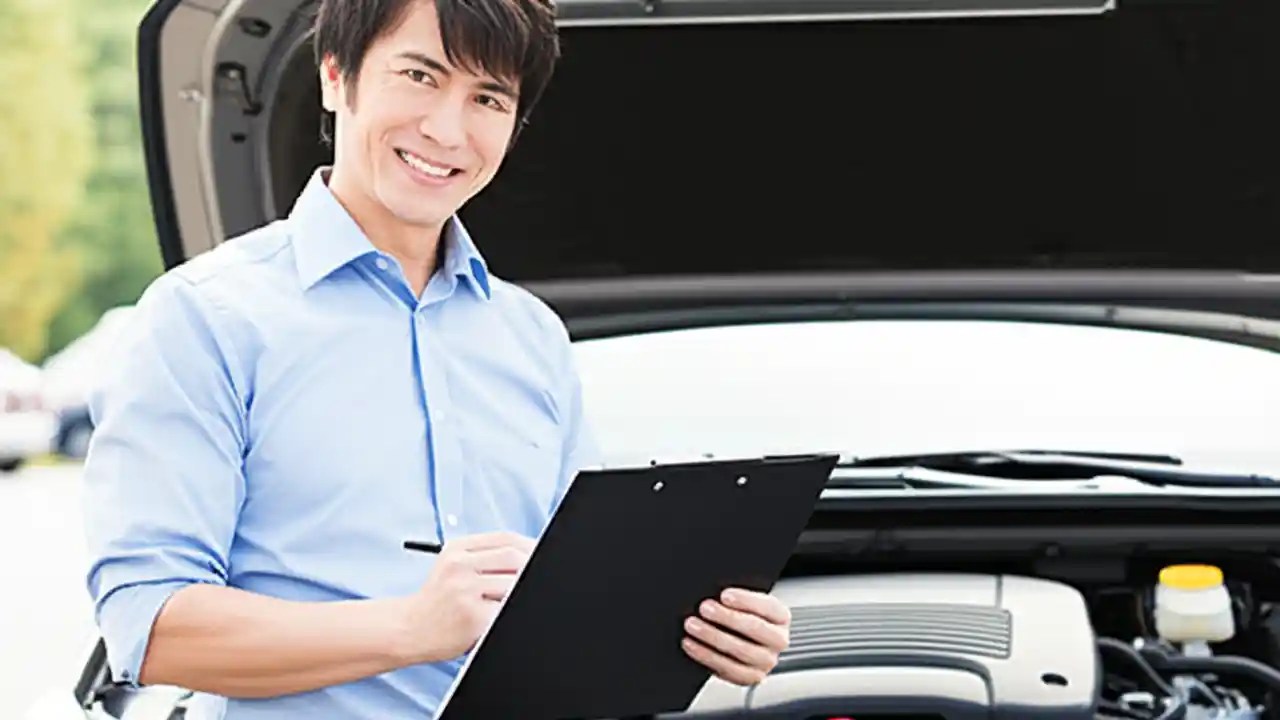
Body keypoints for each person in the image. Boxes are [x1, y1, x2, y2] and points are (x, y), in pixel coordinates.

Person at [81, 0, 793, 716]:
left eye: (487, 97)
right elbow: (149, 627)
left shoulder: (533, 338)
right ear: (336, 77)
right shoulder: (205, 317)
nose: (447, 130)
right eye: (419, 76)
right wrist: (409, 629)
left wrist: (703, 629)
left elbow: (576, 605)